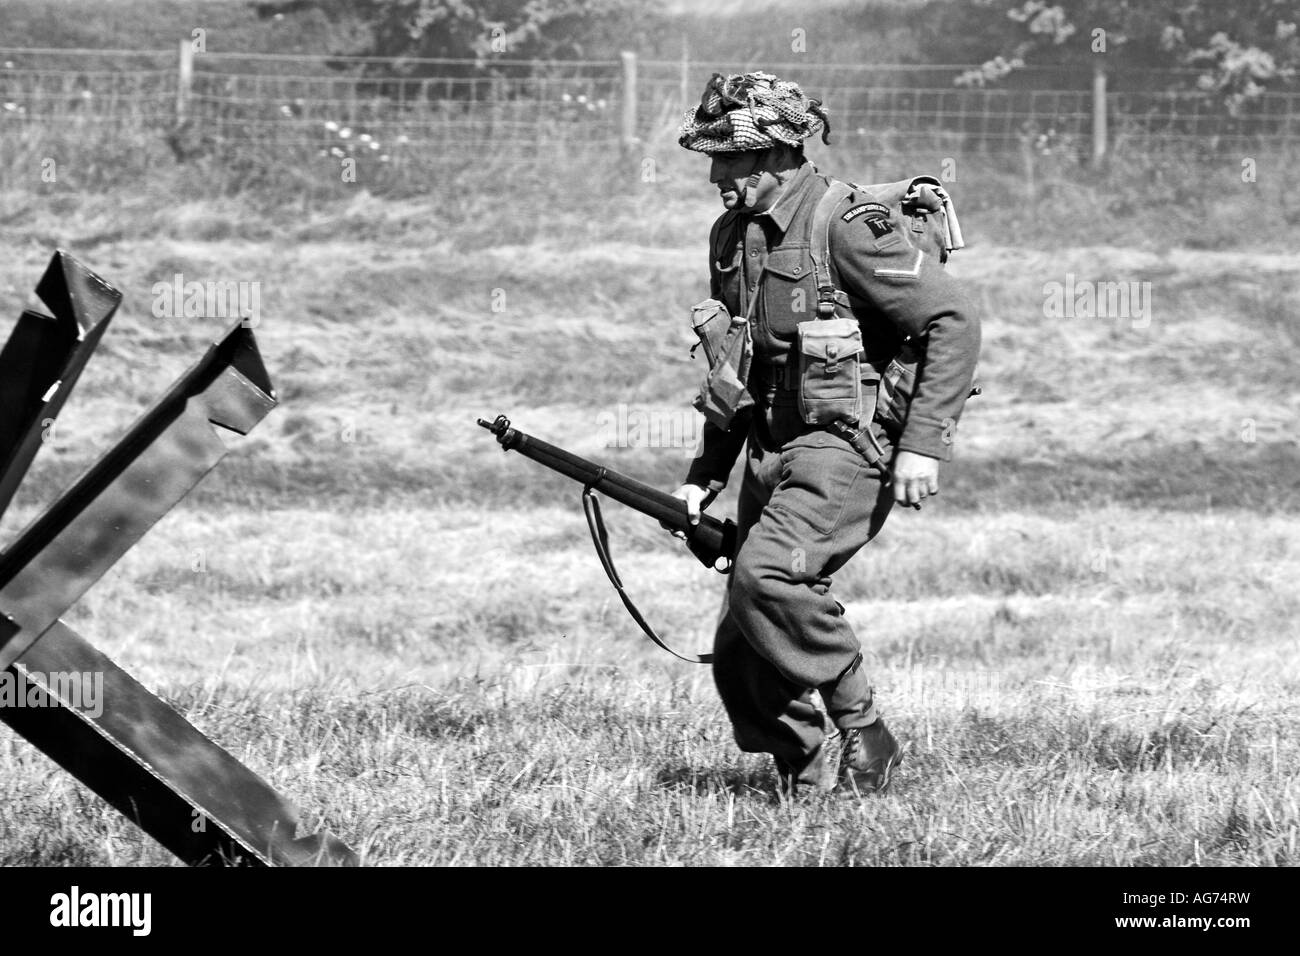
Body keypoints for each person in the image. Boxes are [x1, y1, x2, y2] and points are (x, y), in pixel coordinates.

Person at [671, 71, 981, 795]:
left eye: (732, 159)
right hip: (767, 447)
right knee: (745, 641)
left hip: (844, 443)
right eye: (713, 158)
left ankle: (864, 727)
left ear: (779, 153)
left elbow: (952, 319)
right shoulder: (731, 237)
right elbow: (733, 363)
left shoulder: (845, 226)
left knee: (768, 576)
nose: (717, 174)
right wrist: (704, 474)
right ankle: (807, 785)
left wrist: (923, 445)